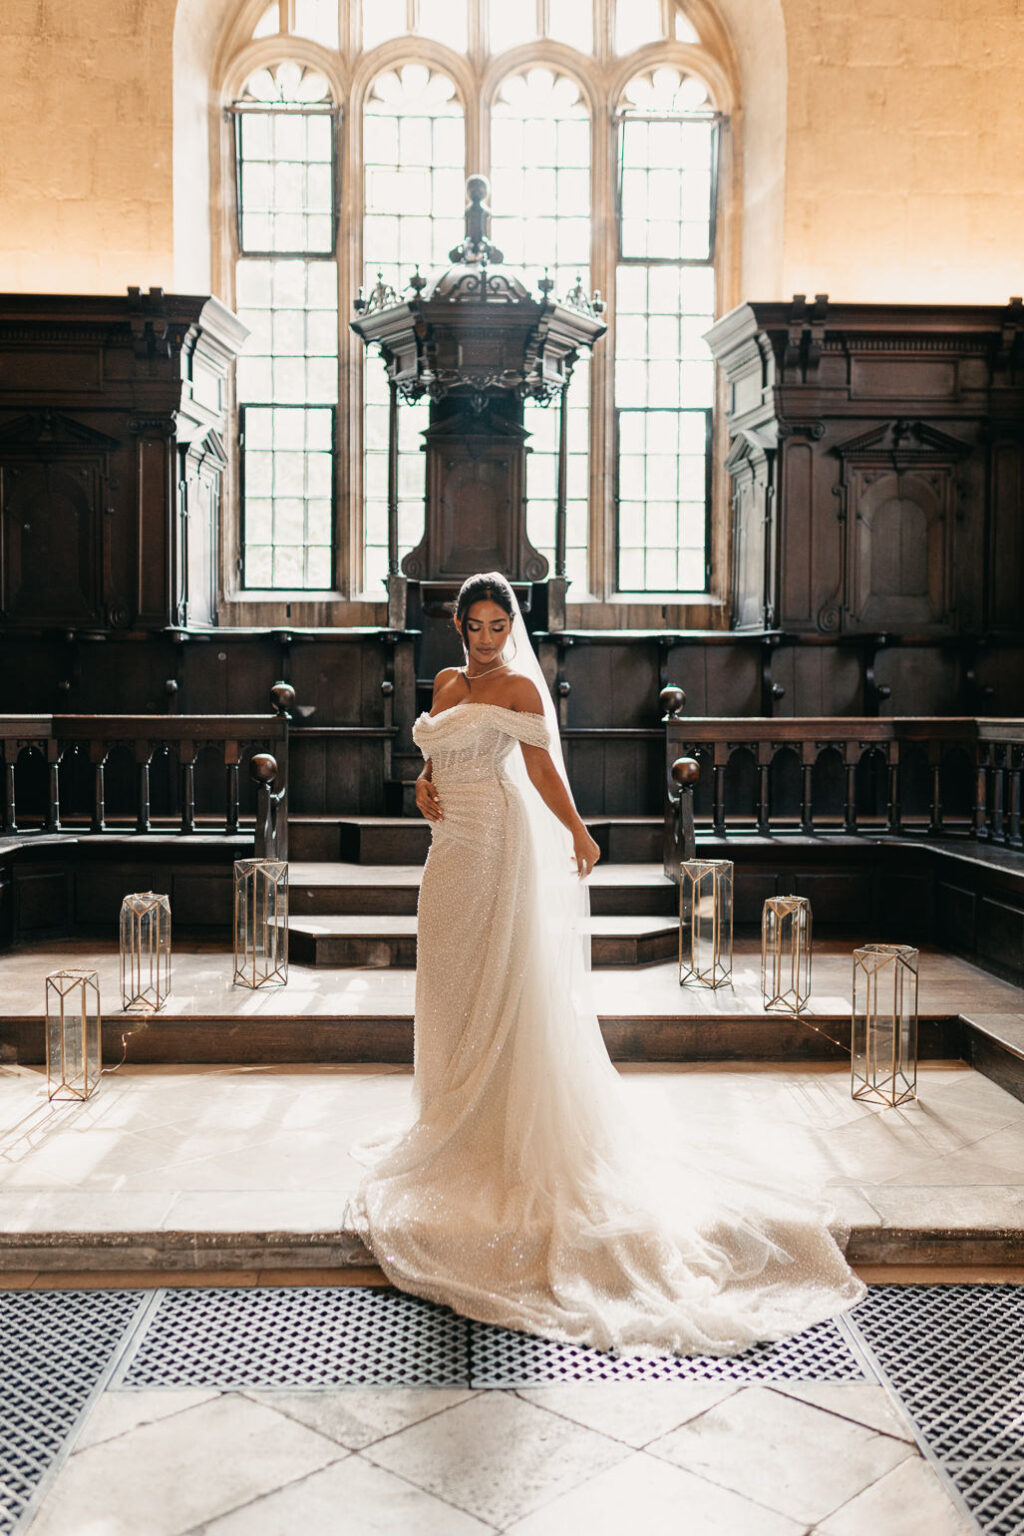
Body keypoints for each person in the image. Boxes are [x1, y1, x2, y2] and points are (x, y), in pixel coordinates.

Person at [349, 571, 865, 1355]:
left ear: (509, 627)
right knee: (450, 984)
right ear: (456, 627)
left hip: (497, 847)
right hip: (445, 854)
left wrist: (580, 833)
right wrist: (424, 782)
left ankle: (494, 1121)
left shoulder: (522, 687)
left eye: (497, 626)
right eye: (475, 627)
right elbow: (441, 750)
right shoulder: (450, 682)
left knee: (500, 981)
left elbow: (541, 771)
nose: (486, 639)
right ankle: (447, 1109)